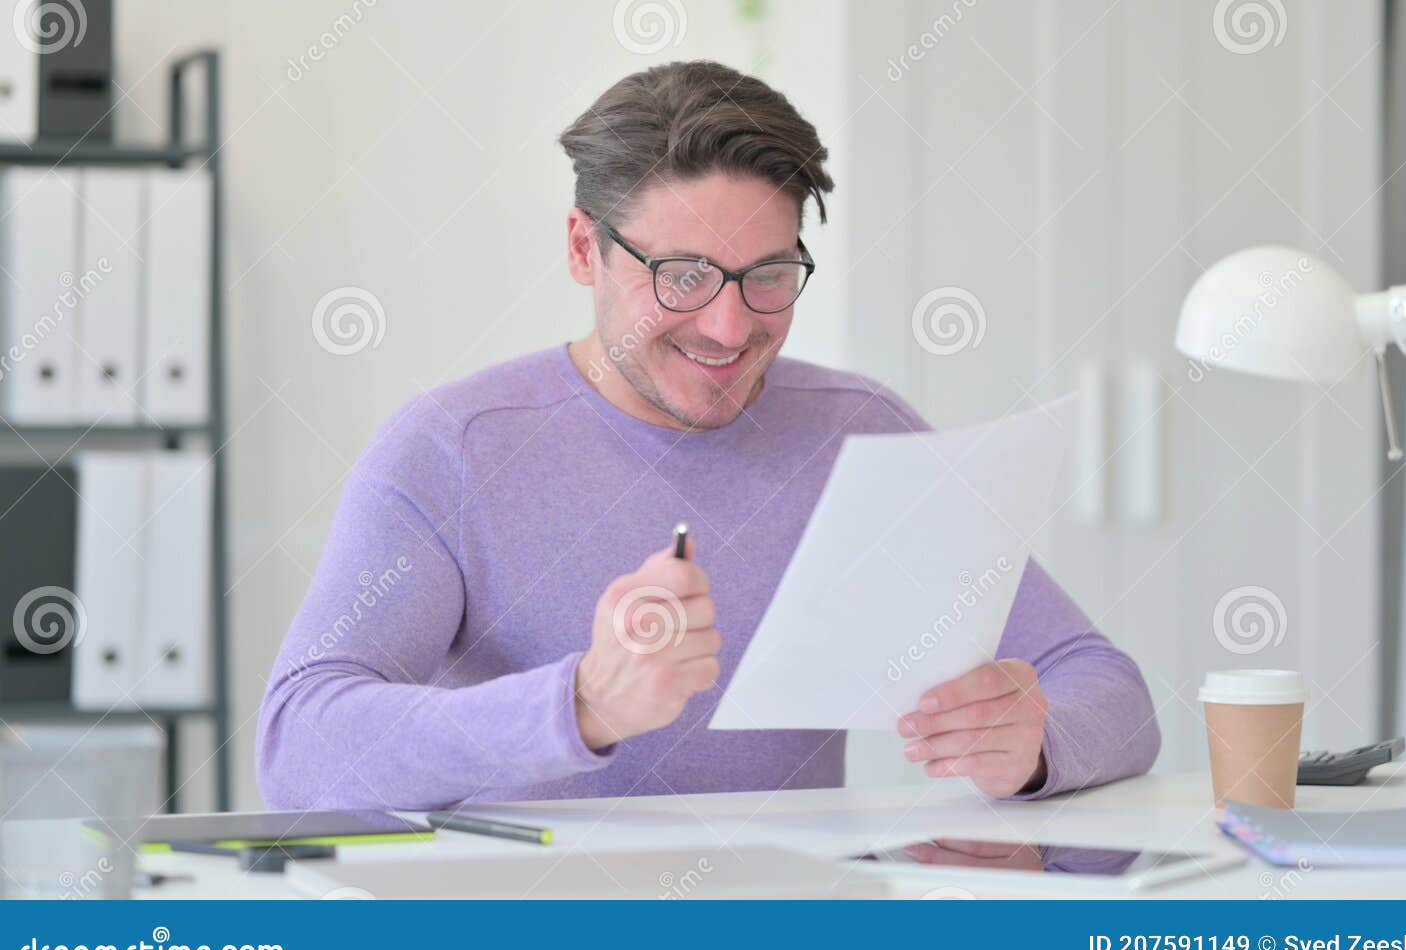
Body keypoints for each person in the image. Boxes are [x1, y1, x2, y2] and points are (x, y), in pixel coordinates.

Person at [256, 60, 1160, 811]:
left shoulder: (858, 434)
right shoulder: (453, 450)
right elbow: (297, 749)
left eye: (768, 274)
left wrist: (1036, 743)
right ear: (583, 249)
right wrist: (582, 705)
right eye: (683, 276)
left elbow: (1110, 690)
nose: (730, 329)